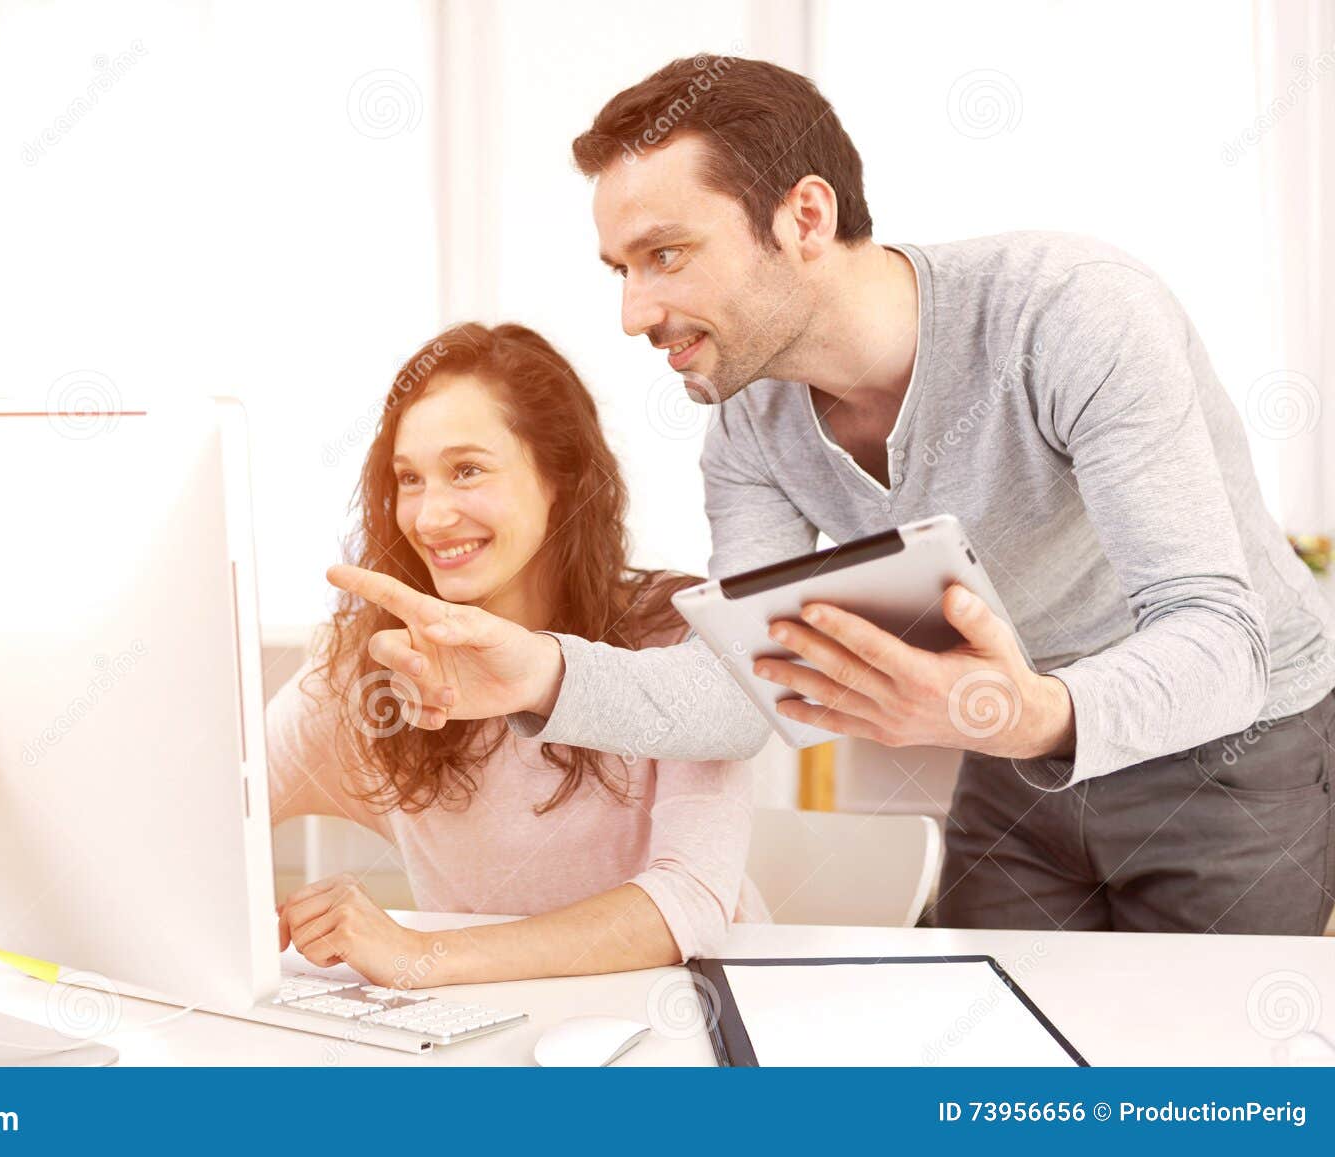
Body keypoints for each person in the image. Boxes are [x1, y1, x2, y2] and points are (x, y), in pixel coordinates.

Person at [330, 56, 1335, 936]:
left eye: (666, 254)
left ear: (804, 216)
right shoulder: (749, 424)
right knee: (982, 1059)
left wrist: (1025, 709)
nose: (636, 310)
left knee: (1204, 1076)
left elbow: (1219, 641)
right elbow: (736, 692)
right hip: (1004, 741)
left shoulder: (1068, 317)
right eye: (621, 268)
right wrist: (540, 672)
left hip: (1229, 747)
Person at [269, 322, 764, 985]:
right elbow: (211, 803)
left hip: (699, 1012)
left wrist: (421, 955)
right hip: (493, 1027)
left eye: (467, 469)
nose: (430, 515)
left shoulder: (674, 636)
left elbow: (688, 902)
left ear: (558, 474)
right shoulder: (375, 663)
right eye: (409, 478)